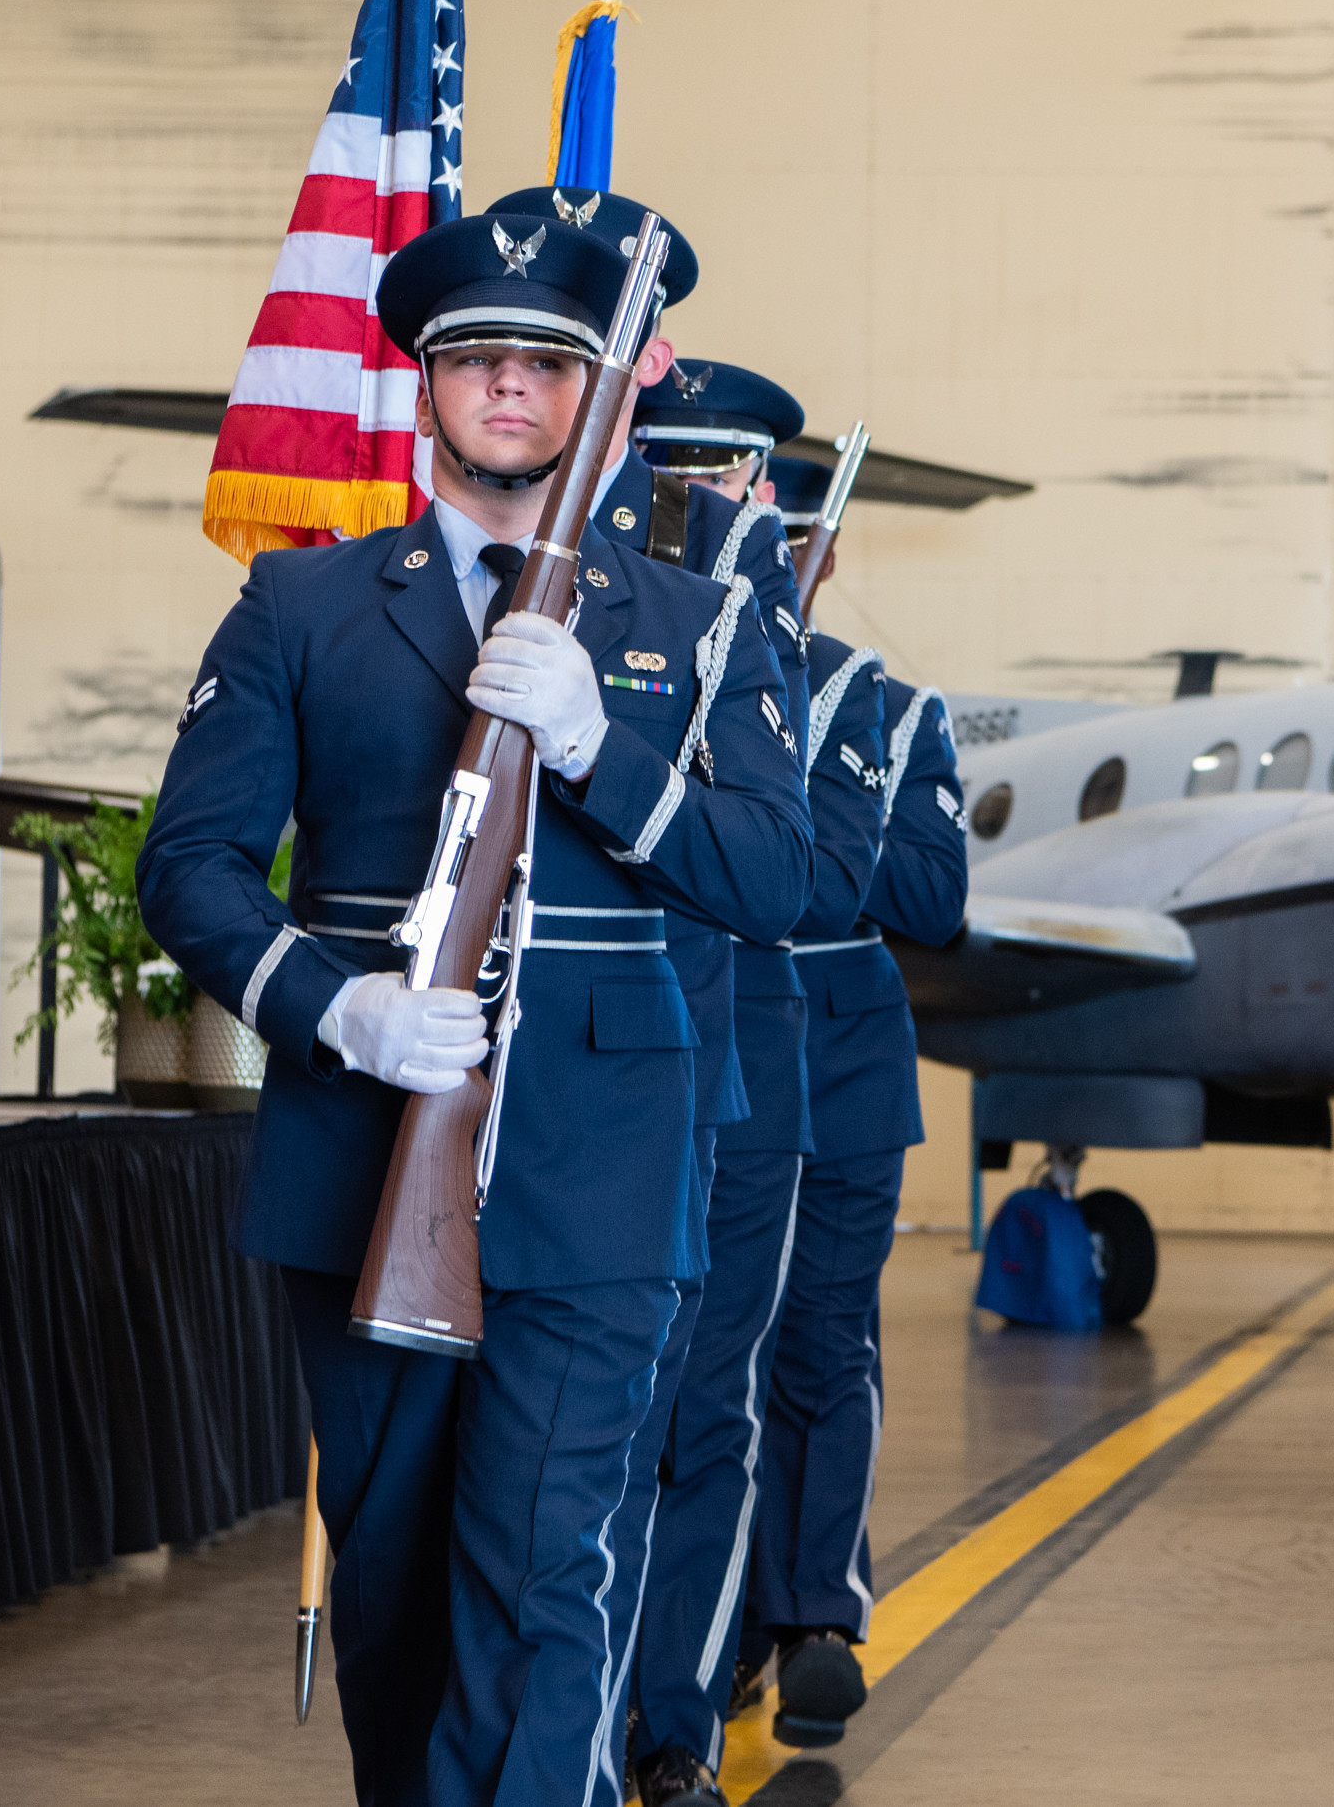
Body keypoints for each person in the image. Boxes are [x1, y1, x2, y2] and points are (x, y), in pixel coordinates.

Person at [137, 213, 812, 1807]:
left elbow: (781, 878)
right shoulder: (299, 608)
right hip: (366, 1151)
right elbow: (193, 866)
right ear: (423, 384)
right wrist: (337, 1006)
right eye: (476, 359)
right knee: (391, 1591)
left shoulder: (697, 624)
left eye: (549, 362)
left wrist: (597, 749)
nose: (511, 384)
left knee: (547, 1571)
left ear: (598, 395)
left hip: (602, 1172)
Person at [622, 364, 888, 1807]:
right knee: (587, 1423)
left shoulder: (800, 670)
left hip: (741, 1073)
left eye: (742, 483)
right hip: (579, 1080)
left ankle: (676, 1728)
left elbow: (808, 880)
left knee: (710, 1414)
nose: (728, 507)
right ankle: (572, 1722)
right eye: (694, 479)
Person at [747, 588, 969, 1750]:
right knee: (709, 1343)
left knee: (826, 1338)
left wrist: (828, 818)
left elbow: (936, 899)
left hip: (842, 1050)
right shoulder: (688, 675)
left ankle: (816, 1621)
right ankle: (728, 1613)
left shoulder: (886, 707)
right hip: (721, 1030)